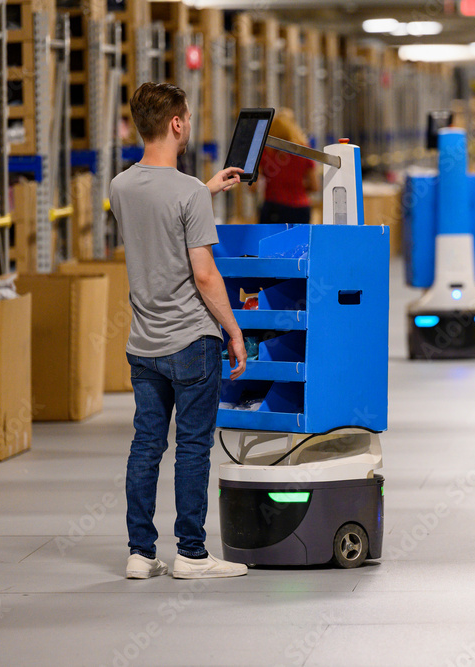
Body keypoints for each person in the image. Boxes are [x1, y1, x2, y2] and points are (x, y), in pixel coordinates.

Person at [109, 82, 248, 580]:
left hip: (143, 345)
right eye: (186, 116)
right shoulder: (188, 193)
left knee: (146, 445)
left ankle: (140, 553)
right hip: (191, 341)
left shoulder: (120, 186)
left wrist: (204, 191)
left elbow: (156, 216)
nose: (188, 123)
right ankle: (191, 553)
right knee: (192, 446)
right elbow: (204, 273)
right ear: (175, 124)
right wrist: (233, 330)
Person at [258, 108, 318, 224]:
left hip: (274, 208)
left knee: (272, 241)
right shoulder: (304, 150)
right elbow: (315, 186)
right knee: (299, 242)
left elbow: (252, 187)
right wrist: (296, 187)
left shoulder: (266, 152)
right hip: (300, 209)